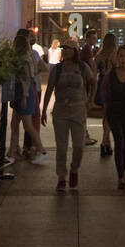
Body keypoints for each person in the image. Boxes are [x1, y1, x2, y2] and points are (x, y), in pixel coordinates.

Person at [42, 45, 95, 191]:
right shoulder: (57, 69)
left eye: (69, 48)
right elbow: (50, 89)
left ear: (75, 51)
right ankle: (61, 177)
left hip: (78, 110)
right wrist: (44, 109)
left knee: (78, 145)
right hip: (60, 111)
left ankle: (74, 169)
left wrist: (90, 99)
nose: (66, 51)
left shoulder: (82, 67)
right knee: (61, 146)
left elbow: (93, 81)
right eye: (63, 48)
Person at [100, 45, 125, 189]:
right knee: (119, 140)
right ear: (117, 58)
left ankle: (122, 169)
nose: (123, 59)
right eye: (121, 56)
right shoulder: (111, 74)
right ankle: (121, 176)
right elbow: (104, 89)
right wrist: (106, 105)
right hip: (114, 110)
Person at [8, 29, 47, 163]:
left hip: (24, 92)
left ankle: (40, 150)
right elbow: (33, 73)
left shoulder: (24, 59)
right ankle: (12, 152)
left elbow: (26, 78)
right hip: (23, 91)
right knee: (15, 124)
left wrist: (24, 96)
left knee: (27, 124)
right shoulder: (28, 56)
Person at [95, 32, 117, 157]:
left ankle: (107, 143)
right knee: (109, 115)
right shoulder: (115, 55)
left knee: (106, 114)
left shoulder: (99, 56)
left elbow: (94, 73)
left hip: (101, 85)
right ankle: (104, 142)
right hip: (111, 86)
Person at [80, 30, 98, 144]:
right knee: (84, 109)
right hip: (85, 82)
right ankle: (84, 135)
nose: (94, 40)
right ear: (87, 39)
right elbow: (92, 64)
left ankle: (84, 134)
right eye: (92, 38)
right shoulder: (87, 49)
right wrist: (94, 75)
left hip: (85, 81)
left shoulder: (88, 49)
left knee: (84, 109)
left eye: (95, 38)